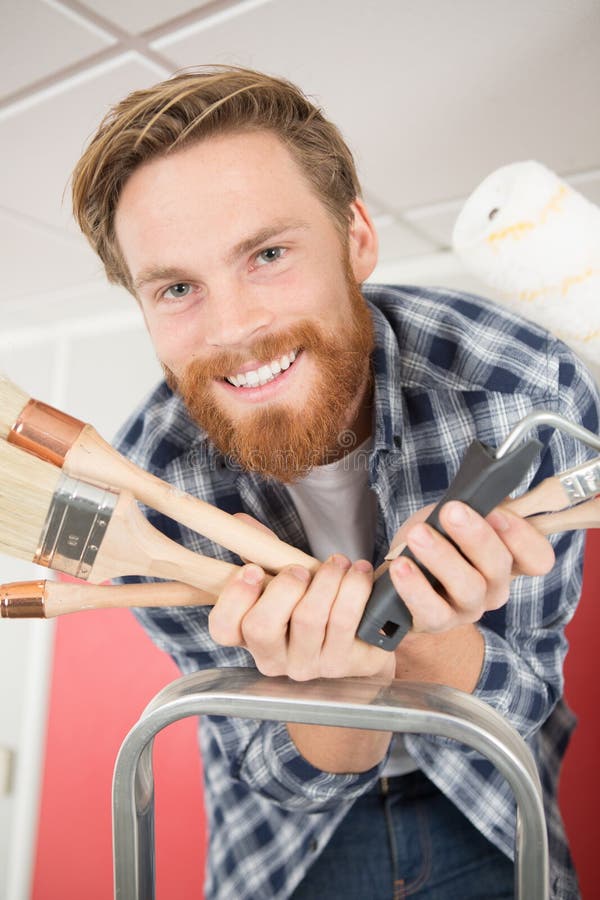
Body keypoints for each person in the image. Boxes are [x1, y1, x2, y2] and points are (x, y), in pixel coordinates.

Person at [71, 66, 599, 899]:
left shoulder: (522, 390)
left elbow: (524, 697)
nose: (234, 328)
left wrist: (425, 638)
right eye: (177, 288)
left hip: (482, 791)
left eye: (268, 254)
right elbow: (272, 769)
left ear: (356, 238)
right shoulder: (147, 490)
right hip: (290, 845)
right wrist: (337, 687)